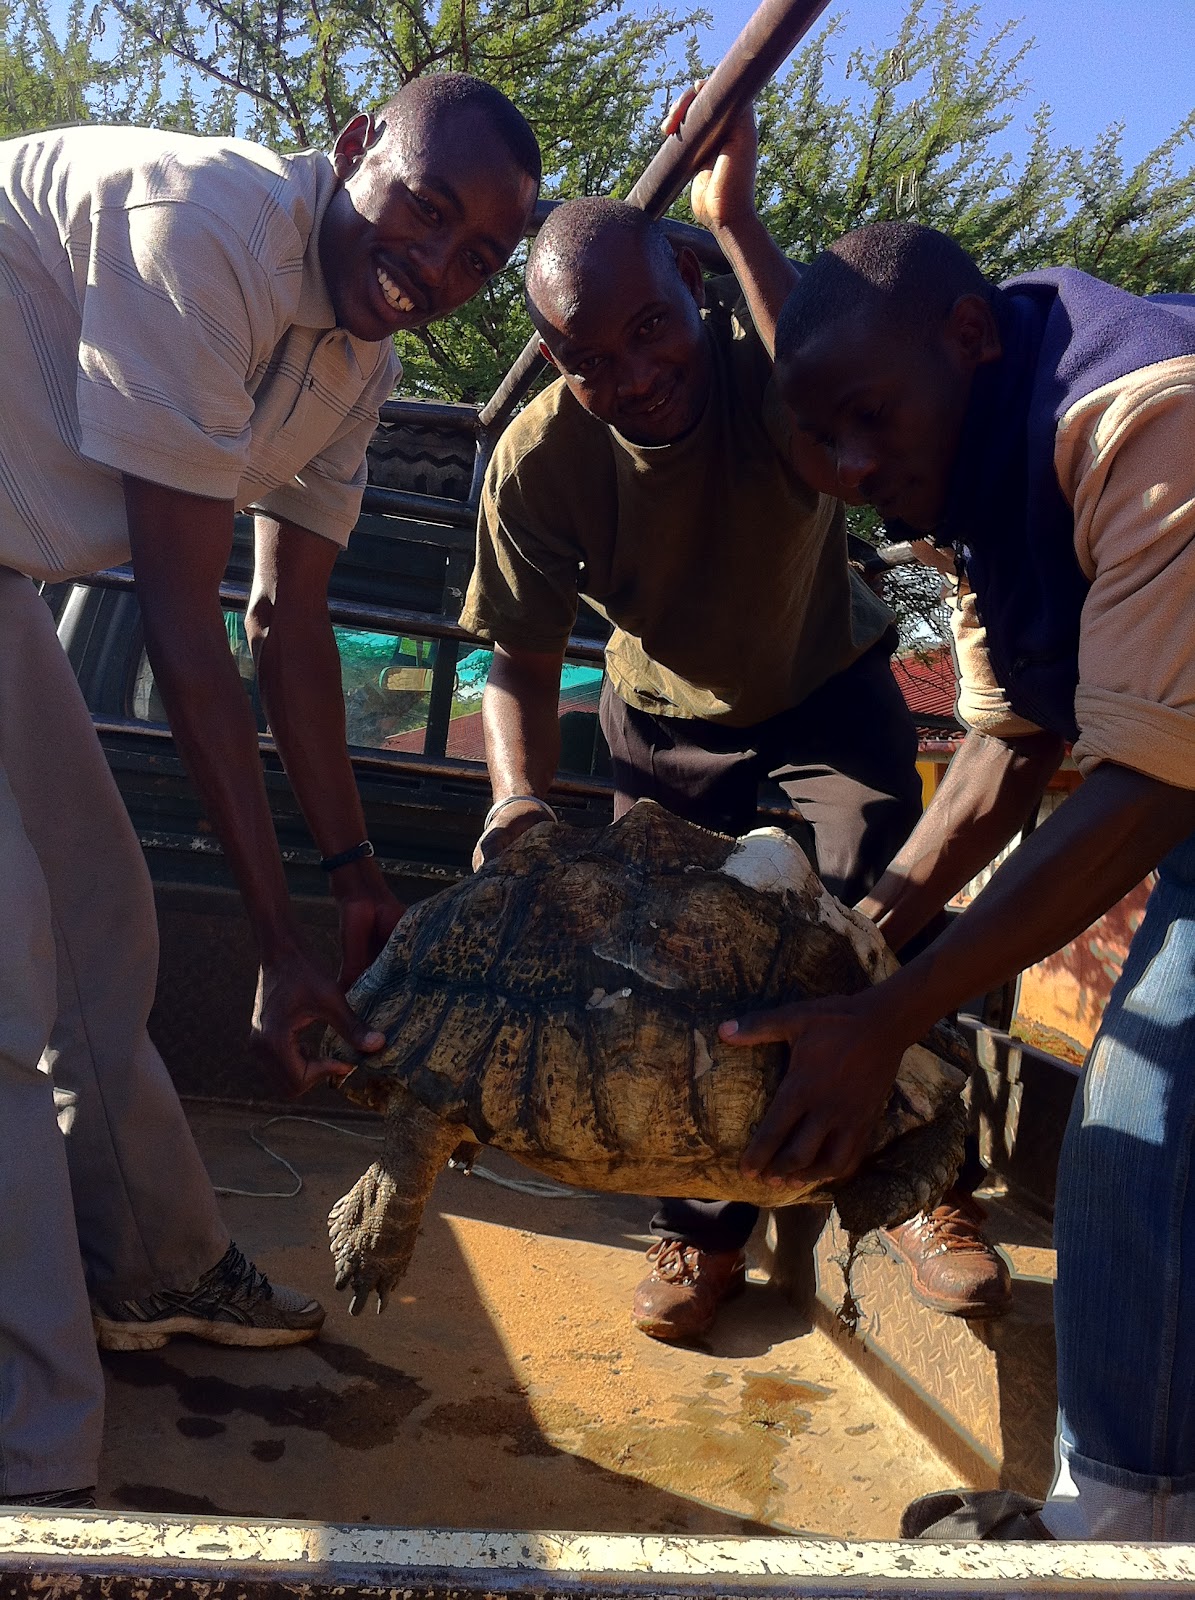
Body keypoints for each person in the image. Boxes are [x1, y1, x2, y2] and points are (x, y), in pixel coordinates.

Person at [0, 73, 540, 1509]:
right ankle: (33, 1464)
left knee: (101, 923)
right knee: (2, 976)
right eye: (426, 211)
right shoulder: (208, 230)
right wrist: (279, 940)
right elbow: (180, 621)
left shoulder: (354, 369)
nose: (436, 268)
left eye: (478, 256)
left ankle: (155, 1274)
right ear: (356, 147)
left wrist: (352, 871)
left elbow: (285, 622)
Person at [458, 99, 1000, 1342]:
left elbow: (831, 359)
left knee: (879, 906)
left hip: (826, 681)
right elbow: (518, 658)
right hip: (660, 724)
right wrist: (514, 800)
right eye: (587, 357)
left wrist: (736, 214)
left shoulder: (769, 364)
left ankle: (923, 1187)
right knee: (665, 971)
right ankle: (702, 1226)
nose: (633, 374)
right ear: (551, 362)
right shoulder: (538, 464)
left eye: (651, 329)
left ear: (691, 291)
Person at [739, 219, 1195, 1540]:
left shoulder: (1143, 416)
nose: (853, 467)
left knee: (1145, 1099)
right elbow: (1005, 745)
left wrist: (882, 1024)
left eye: (867, 418)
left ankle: (1133, 1513)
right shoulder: (974, 494)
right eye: (824, 441)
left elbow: (1155, 781)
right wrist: (860, 943)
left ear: (968, 337)